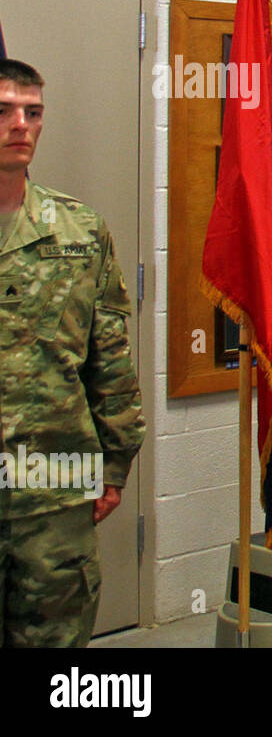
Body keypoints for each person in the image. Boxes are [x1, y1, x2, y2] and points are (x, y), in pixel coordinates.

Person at [0, 58, 145, 647]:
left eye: (33, 112)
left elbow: (108, 360)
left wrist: (113, 466)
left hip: (54, 488)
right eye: (4, 111)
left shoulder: (79, 230)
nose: (21, 125)